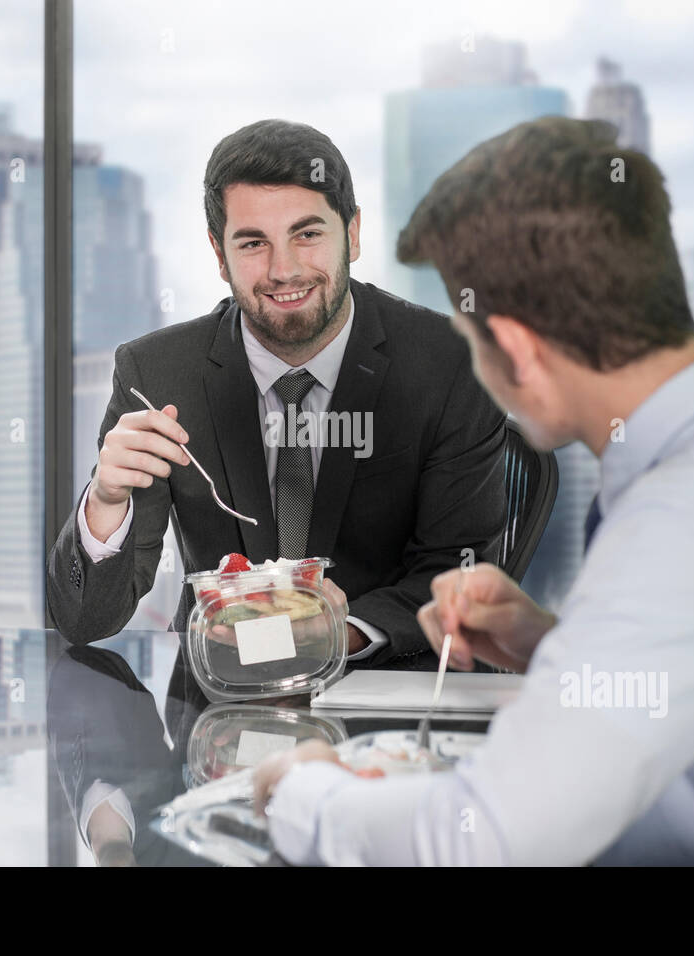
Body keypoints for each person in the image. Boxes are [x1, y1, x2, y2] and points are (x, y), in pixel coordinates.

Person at [252, 117, 694, 866]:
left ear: (519, 352)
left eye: (473, 343)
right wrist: (553, 643)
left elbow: (477, 842)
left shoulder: (685, 525)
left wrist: (301, 788)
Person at [46, 120, 508, 725]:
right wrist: (106, 500)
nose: (284, 270)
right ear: (220, 256)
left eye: (307, 234)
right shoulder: (157, 374)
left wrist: (337, 633)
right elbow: (85, 623)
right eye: (252, 243)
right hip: (218, 716)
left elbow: (458, 571)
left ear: (353, 233)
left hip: (393, 713)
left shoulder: (448, 362)